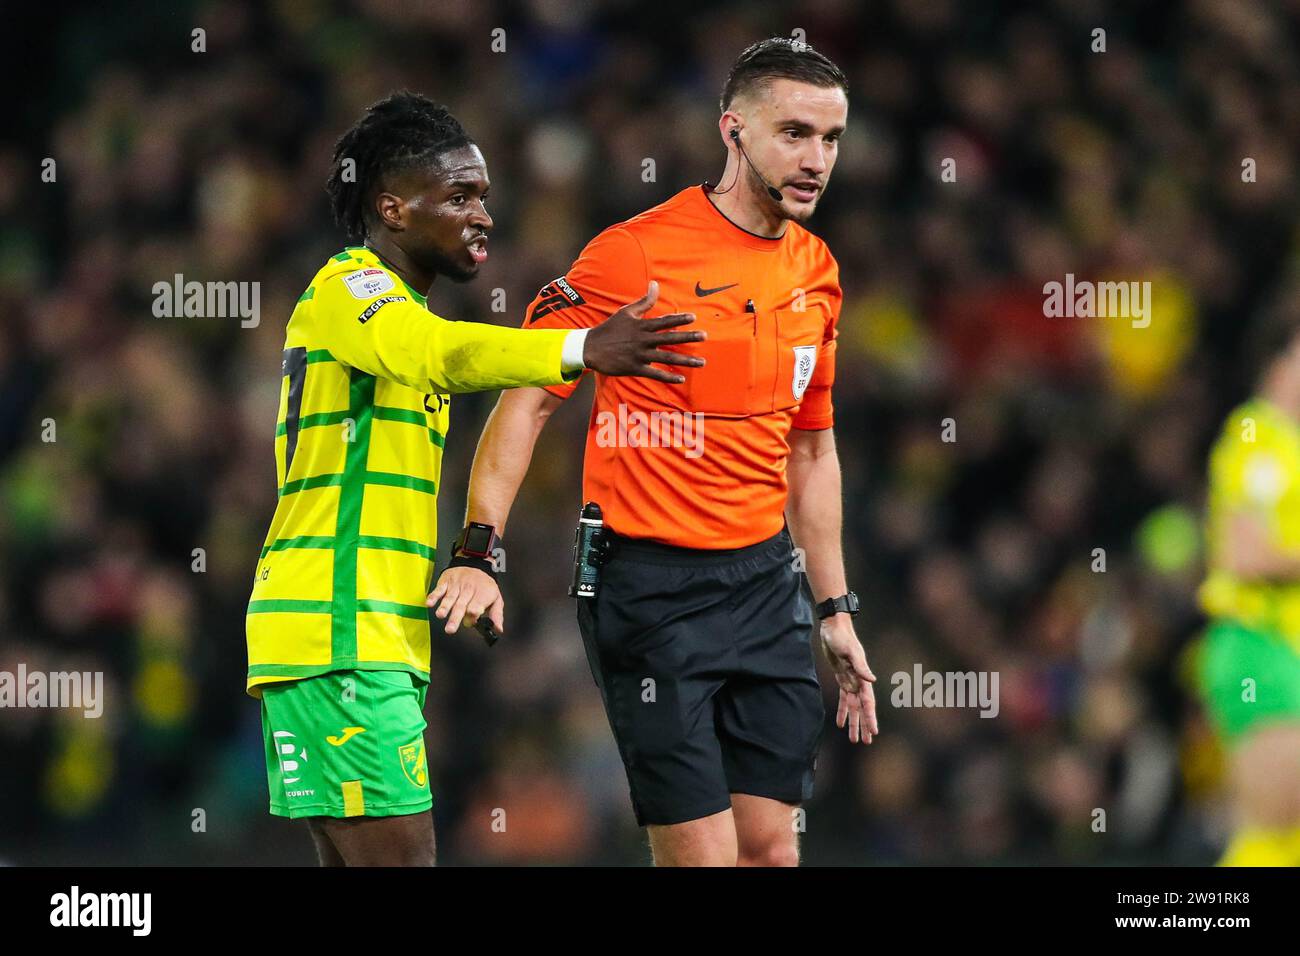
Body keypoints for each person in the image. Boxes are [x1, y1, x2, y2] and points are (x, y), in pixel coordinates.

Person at [431, 38, 876, 866]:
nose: (817, 158)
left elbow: (812, 451)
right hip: (650, 590)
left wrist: (835, 607)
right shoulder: (634, 254)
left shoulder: (817, 271)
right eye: (794, 133)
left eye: (831, 138)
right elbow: (525, 400)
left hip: (765, 584)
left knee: (773, 851)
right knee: (702, 860)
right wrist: (476, 551)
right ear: (732, 132)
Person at [247, 91, 705, 867]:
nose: (482, 215)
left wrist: (472, 556)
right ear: (391, 208)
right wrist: (580, 348)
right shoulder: (349, 289)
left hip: (354, 635)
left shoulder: (387, 310)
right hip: (337, 637)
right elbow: (444, 356)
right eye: (458, 196)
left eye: (484, 196)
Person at [1194, 325, 1300, 866]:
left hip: (1287, 647)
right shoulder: (1260, 436)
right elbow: (1244, 554)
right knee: (1280, 815)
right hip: (1260, 647)